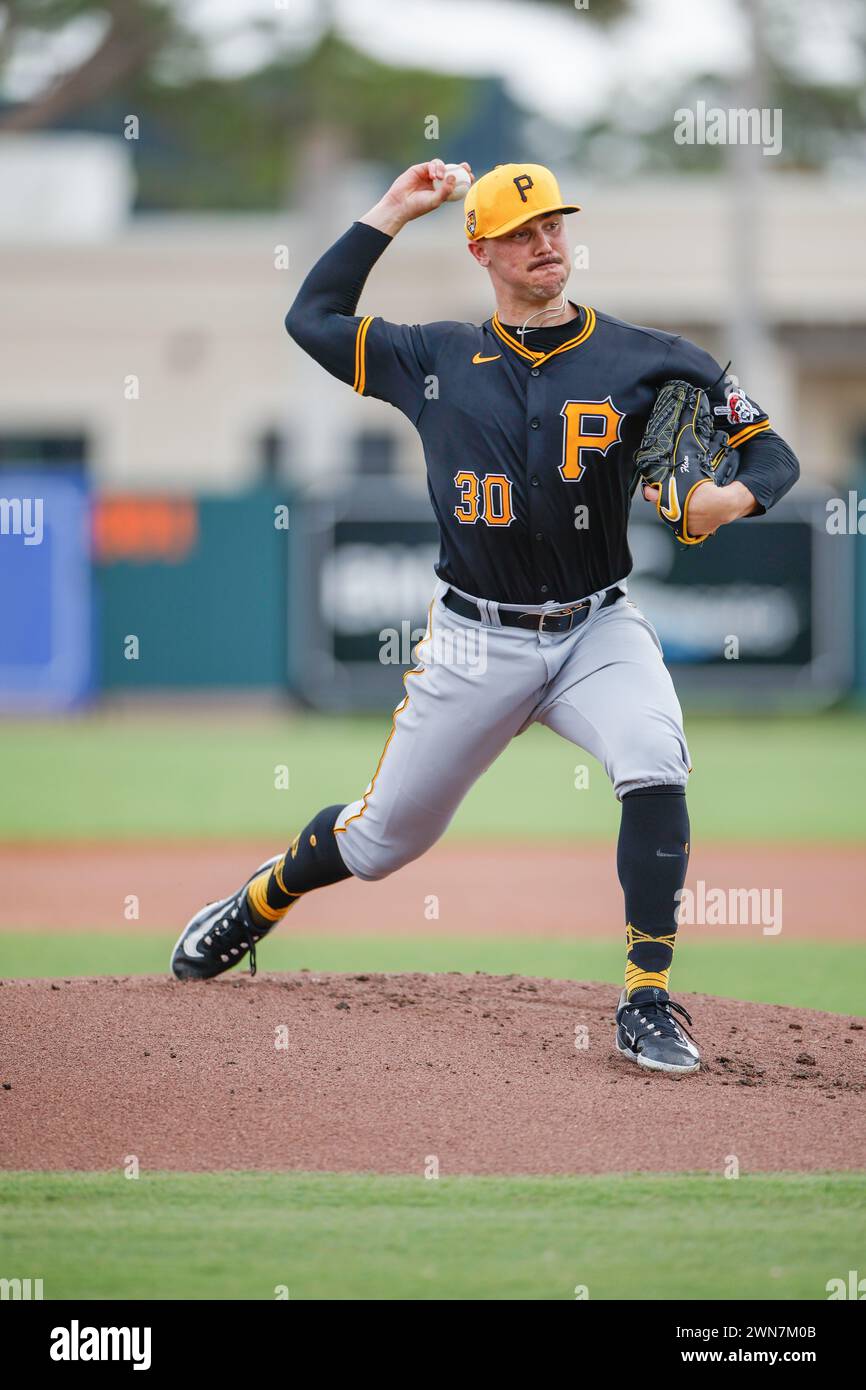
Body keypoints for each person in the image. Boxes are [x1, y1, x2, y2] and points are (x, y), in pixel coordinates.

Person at [171, 160, 799, 1076]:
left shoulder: (651, 356)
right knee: (382, 843)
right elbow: (310, 319)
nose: (545, 242)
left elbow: (769, 450)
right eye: (521, 231)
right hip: (476, 638)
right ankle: (261, 899)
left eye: (554, 224)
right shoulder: (427, 358)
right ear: (480, 251)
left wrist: (732, 501)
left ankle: (647, 998)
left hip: (597, 628)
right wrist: (393, 208)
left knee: (654, 756)